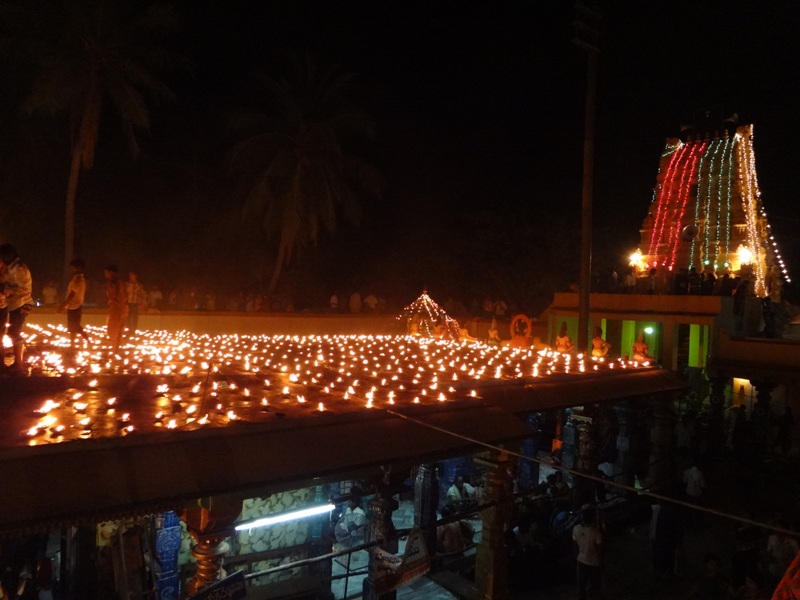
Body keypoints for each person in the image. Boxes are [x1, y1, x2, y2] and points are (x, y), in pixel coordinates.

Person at [0, 243, 34, 373]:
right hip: (15, 304)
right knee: (13, 332)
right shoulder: (11, 267)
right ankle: (17, 363)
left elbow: (24, 289)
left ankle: (19, 365)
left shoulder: (20, 269)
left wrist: (6, 290)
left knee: (14, 332)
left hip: (21, 304)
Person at [58, 258, 90, 349]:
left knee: (75, 326)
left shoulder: (78, 279)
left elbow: (72, 294)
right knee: (72, 327)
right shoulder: (77, 278)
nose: (71, 270)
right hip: (73, 306)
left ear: (79, 268)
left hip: (75, 306)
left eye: (72, 268)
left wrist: (62, 305)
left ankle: (87, 340)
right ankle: (72, 345)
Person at [573, 504, 603, 600]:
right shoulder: (595, 533)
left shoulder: (576, 529)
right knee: (594, 585)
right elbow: (599, 550)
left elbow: (575, 545)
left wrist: (577, 555)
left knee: (581, 585)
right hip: (593, 562)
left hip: (581, 560)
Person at [104, 265, 128, 351]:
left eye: (106, 273)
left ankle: (115, 349)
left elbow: (120, 296)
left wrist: (114, 303)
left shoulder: (117, 283)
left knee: (114, 330)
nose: (105, 275)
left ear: (111, 273)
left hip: (118, 309)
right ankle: (116, 349)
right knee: (117, 330)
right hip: (119, 308)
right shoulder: (116, 283)